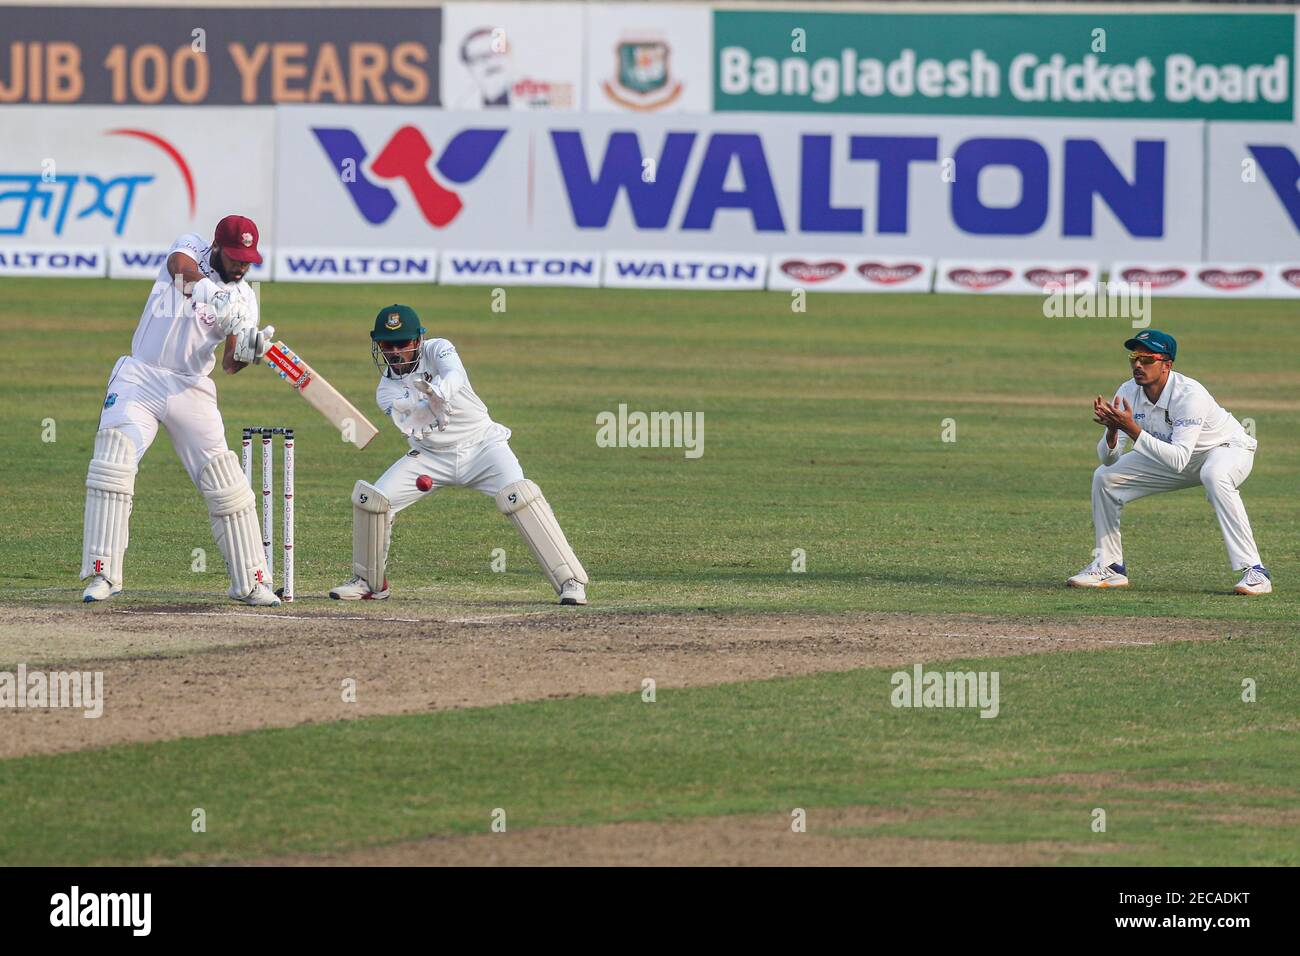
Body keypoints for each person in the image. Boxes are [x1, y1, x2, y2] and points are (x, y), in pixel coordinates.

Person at [80, 215, 280, 606]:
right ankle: (102, 575)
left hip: (192, 387)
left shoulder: (246, 298)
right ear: (217, 248)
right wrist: (213, 295)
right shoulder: (189, 247)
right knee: (113, 461)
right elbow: (180, 271)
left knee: (225, 480)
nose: (242, 266)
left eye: (248, 260)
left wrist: (249, 349)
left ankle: (252, 581)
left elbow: (228, 364)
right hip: (141, 376)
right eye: (236, 258)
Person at [330, 304, 588, 605]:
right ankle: (370, 582)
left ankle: (570, 580)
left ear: (418, 341)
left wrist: (438, 391)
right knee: (372, 501)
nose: (396, 351)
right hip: (430, 458)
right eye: (388, 345)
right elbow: (411, 422)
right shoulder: (385, 390)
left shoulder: (439, 348)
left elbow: (455, 374)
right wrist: (428, 410)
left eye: (403, 343)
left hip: (483, 446)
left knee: (522, 497)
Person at [1068, 329, 1271, 595]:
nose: (1138, 364)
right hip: (1176, 454)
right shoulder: (1128, 390)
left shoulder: (1189, 395)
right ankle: (1110, 566)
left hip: (1226, 449)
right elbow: (1108, 460)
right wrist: (1112, 431)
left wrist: (1132, 429)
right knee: (1105, 478)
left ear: (1167, 365)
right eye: (1134, 357)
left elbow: (1177, 459)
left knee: (1215, 475)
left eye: (1147, 358)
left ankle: (1255, 571)